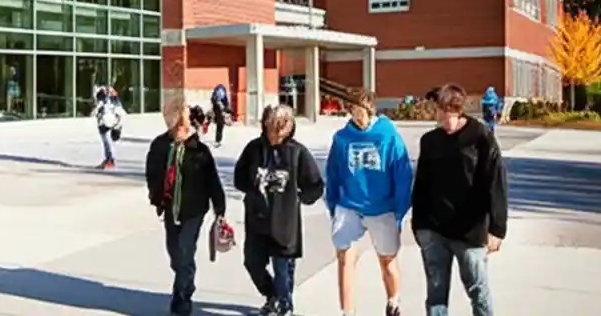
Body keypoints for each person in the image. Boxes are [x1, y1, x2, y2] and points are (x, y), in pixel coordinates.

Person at [412, 84, 507, 316]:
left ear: (457, 110)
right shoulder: (430, 141)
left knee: (478, 290)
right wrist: (419, 226)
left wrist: (497, 228)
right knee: (436, 294)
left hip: (470, 230)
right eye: (438, 111)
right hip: (434, 229)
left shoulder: (481, 137)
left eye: (446, 111)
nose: (441, 117)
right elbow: (421, 184)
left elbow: (496, 183)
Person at [325, 88, 413, 316]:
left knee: (387, 260)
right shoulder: (342, 138)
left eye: (361, 110)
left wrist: (399, 210)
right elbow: (333, 173)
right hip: (350, 205)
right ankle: (348, 311)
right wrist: (334, 205)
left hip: (381, 207)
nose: (357, 115)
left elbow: (402, 173)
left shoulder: (387, 135)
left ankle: (393, 301)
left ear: (370, 110)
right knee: (345, 257)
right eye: (353, 110)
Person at [235, 104, 325, 316]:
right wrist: (254, 191)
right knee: (252, 263)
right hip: (257, 220)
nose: (276, 131)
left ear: (289, 127)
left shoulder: (297, 153)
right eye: (273, 126)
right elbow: (239, 178)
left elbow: (315, 185)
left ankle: (285, 305)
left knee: (283, 270)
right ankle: (272, 295)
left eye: (281, 126)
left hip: (285, 222)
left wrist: (299, 198)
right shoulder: (254, 149)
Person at [146, 95, 228, 316]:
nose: (181, 128)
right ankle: (184, 279)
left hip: (194, 209)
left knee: (184, 249)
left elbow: (212, 180)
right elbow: (152, 173)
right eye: (177, 124)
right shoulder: (160, 145)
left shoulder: (199, 150)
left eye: (185, 124)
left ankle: (183, 296)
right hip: (170, 208)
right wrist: (156, 197)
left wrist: (219, 208)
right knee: (174, 252)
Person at [93, 86, 125, 169]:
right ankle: (108, 159)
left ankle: (110, 159)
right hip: (105, 123)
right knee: (106, 142)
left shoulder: (111, 102)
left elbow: (119, 113)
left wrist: (117, 124)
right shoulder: (106, 102)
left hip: (108, 123)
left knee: (108, 142)